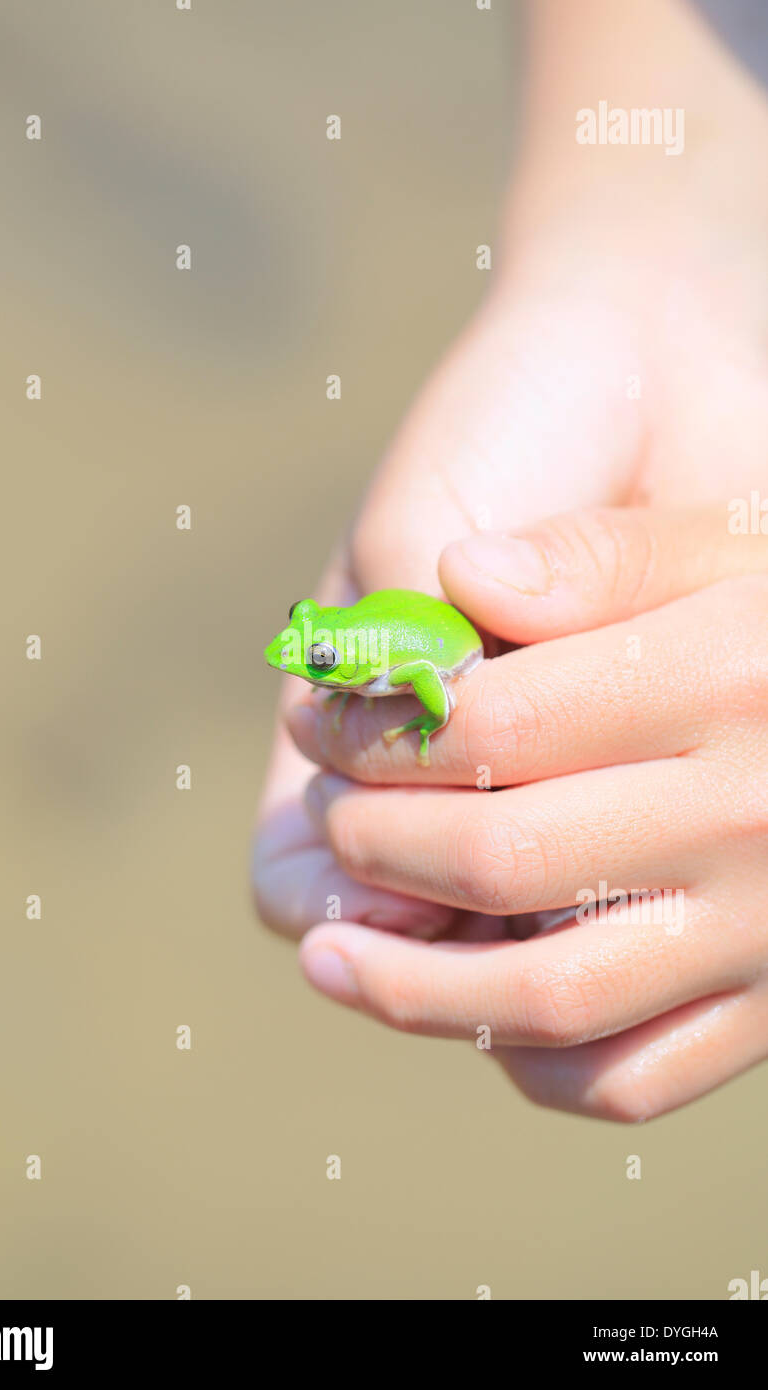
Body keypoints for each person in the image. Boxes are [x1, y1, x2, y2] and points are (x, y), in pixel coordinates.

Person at [253, 0, 768, 1121]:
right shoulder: (355, 660)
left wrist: (438, 716)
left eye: (317, 650)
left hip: (442, 655)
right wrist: (616, 261)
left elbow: (433, 683)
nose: (297, 661)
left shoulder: (395, 670)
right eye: (307, 643)